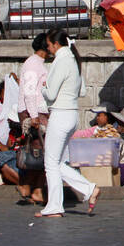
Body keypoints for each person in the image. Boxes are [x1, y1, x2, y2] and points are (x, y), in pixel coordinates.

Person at [38, 29, 100, 217]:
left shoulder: (61, 61)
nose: (48, 50)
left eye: (48, 46)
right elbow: (81, 91)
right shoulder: (73, 60)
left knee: (50, 162)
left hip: (60, 114)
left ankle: (55, 206)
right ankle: (89, 188)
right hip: (72, 114)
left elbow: (51, 93)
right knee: (56, 162)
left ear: (56, 45)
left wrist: (42, 89)